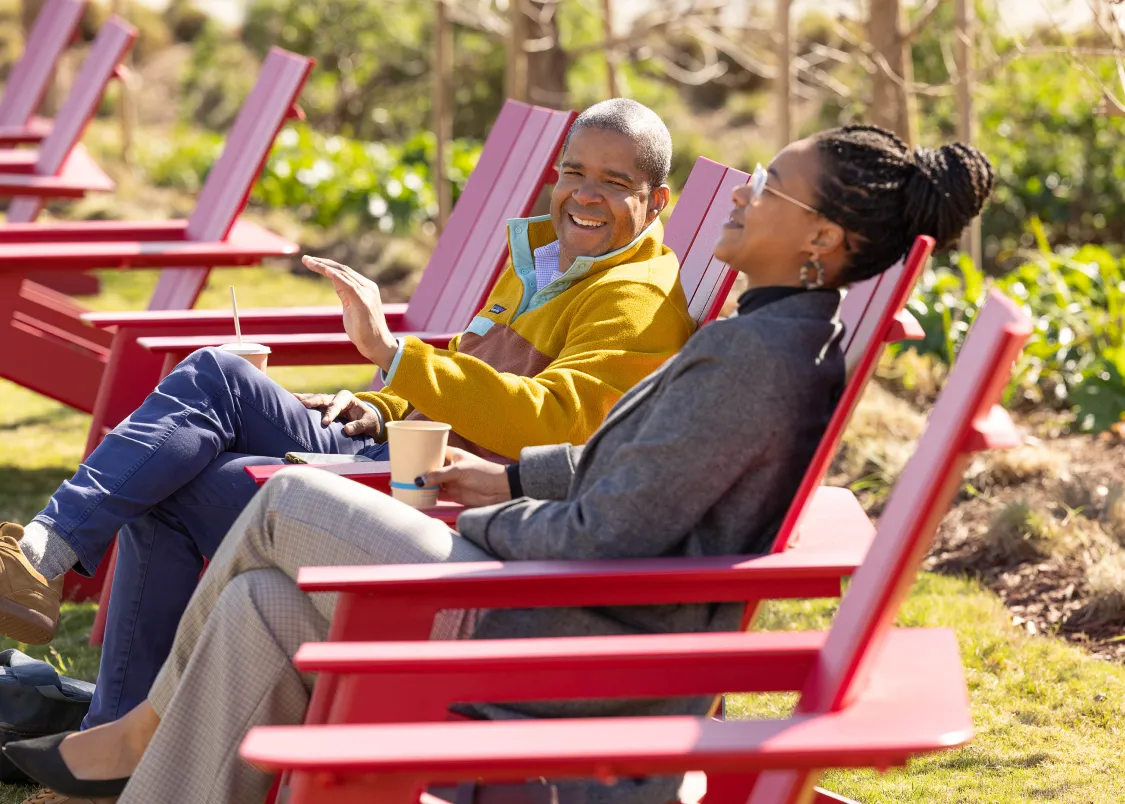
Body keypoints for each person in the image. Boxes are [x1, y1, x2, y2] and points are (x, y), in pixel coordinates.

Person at [2, 126, 995, 804]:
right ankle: (147, 764)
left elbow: (611, 535)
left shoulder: (755, 362)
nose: (739, 189)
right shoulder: (766, 338)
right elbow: (634, 474)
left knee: (287, 500)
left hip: (561, 641)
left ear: (821, 237)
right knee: (258, 602)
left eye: (765, 186)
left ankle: (139, 730)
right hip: (555, 602)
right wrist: (511, 479)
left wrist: (474, 519)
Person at [0, 98, 695, 737]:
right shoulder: (547, 257)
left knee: (188, 452)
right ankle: (78, 645)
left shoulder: (632, 298)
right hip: (391, 450)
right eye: (573, 171)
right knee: (217, 382)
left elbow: (555, 423)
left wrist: (393, 355)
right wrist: (380, 399)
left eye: (613, 180)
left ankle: (63, 613)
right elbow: (467, 370)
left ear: (656, 199)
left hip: (437, 500)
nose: (585, 193)